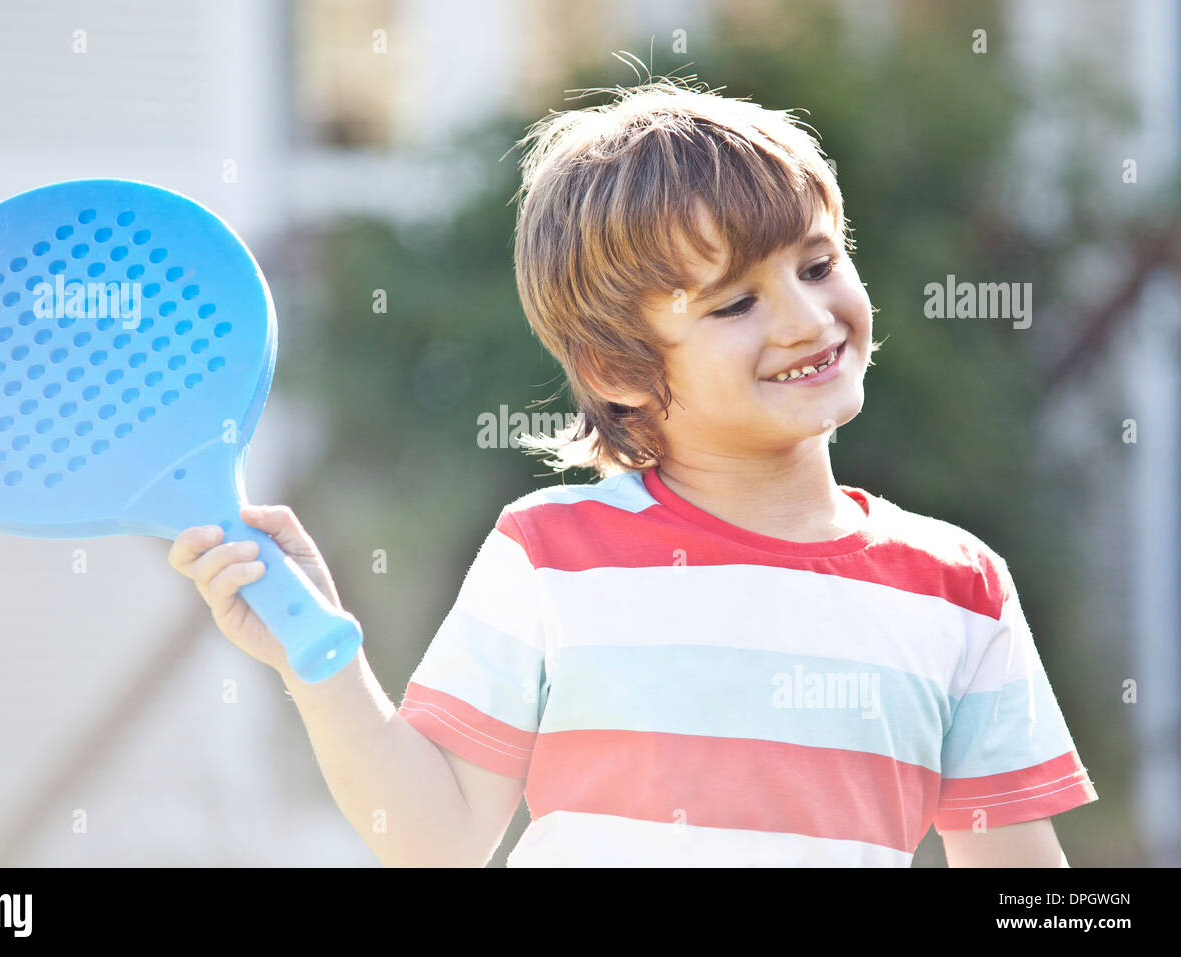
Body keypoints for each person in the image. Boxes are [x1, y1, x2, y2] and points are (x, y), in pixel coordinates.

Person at [168, 76, 1097, 867]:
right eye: (735, 302)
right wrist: (317, 657)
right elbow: (433, 836)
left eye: (818, 264)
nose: (807, 319)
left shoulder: (959, 588)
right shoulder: (550, 555)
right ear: (617, 369)